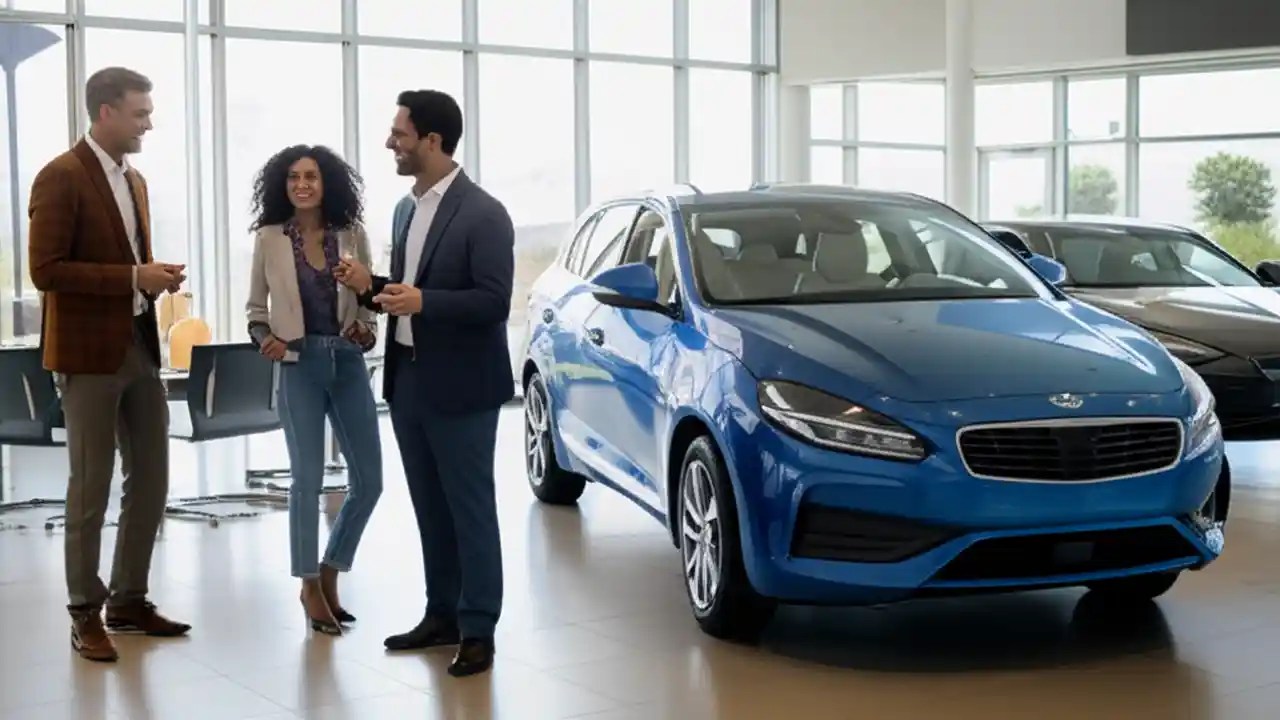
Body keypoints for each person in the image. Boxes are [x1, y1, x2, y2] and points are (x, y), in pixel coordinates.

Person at [334, 89, 513, 677]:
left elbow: (492, 302)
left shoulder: (485, 213)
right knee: (430, 509)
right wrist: (371, 284)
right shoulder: (406, 209)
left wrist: (422, 300)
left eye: (400, 133)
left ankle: (479, 626)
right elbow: (408, 290)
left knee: (470, 509)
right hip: (409, 381)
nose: (391, 142)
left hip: (462, 387)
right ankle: (442, 615)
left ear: (433, 141)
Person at [27, 66, 191, 662]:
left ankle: (127, 600)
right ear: (105, 113)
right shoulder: (61, 176)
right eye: (140, 112)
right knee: (90, 487)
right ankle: (83, 612)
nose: (149, 121)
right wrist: (130, 277)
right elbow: (45, 271)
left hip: (139, 346)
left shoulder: (136, 180)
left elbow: (128, 262)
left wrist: (151, 277)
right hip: (87, 356)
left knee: (151, 478)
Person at [245, 144, 383, 636]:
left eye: (312, 176)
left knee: (369, 481)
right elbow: (254, 312)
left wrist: (366, 328)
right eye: (293, 178)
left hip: (346, 362)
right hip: (298, 364)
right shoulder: (269, 238)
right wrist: (268, 343)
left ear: (328, 184)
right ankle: (307, 584)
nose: (302, 185)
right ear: (283, 185)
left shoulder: (353, 234)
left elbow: (368, 301)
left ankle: (330, 570)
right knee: (306, 481)